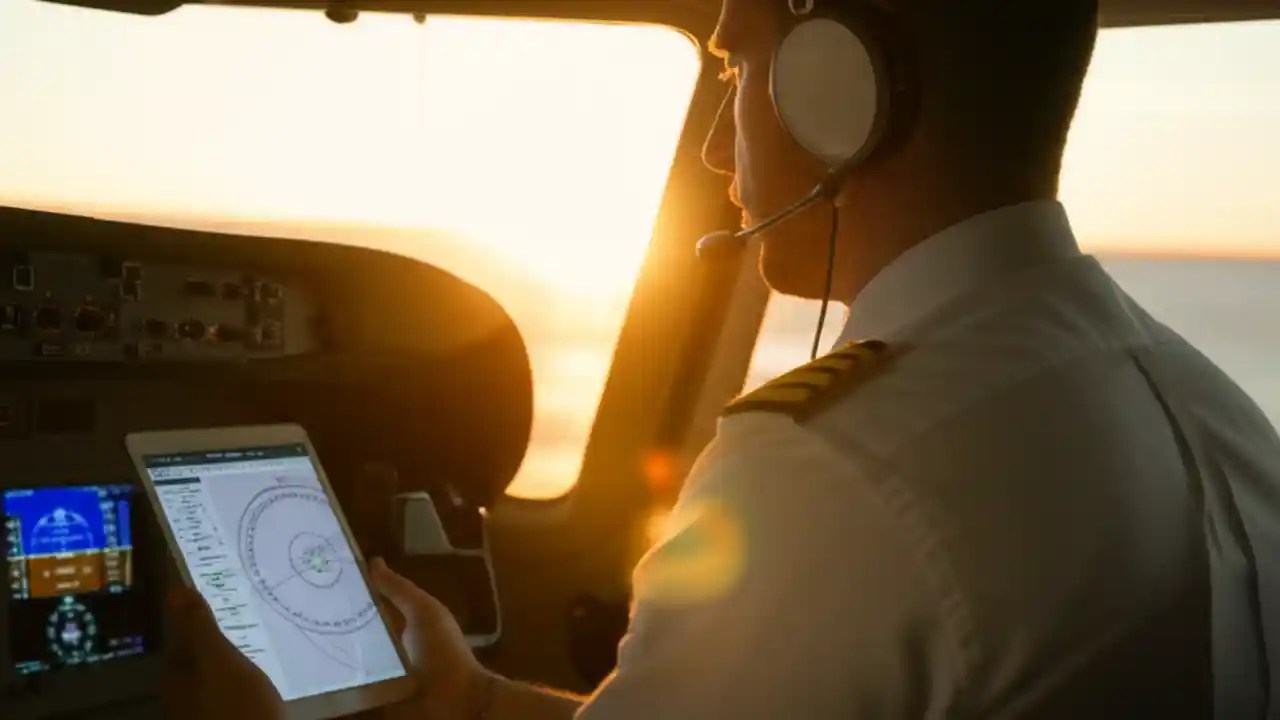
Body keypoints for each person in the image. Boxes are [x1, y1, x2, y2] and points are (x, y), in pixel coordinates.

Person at [167, 0, 1280, 717]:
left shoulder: (837, 473)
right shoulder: (1209, 408)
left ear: (835, 94)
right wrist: (475, 700)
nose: (716, 142)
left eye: (738, 73)